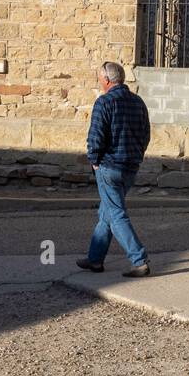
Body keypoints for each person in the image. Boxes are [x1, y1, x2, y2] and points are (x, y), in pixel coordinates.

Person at [76, 61, 152, 277]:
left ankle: (139, 260)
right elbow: (146, 134)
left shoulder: (104, 102)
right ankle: (95, 259)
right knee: (106, 212)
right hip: (130, 166)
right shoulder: (138, 102)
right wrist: (137, 156)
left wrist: (94, 160)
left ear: (106, 80)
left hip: (109, 166)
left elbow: (95, 136)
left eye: (100, 78)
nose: (100, 82)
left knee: (116, 213)